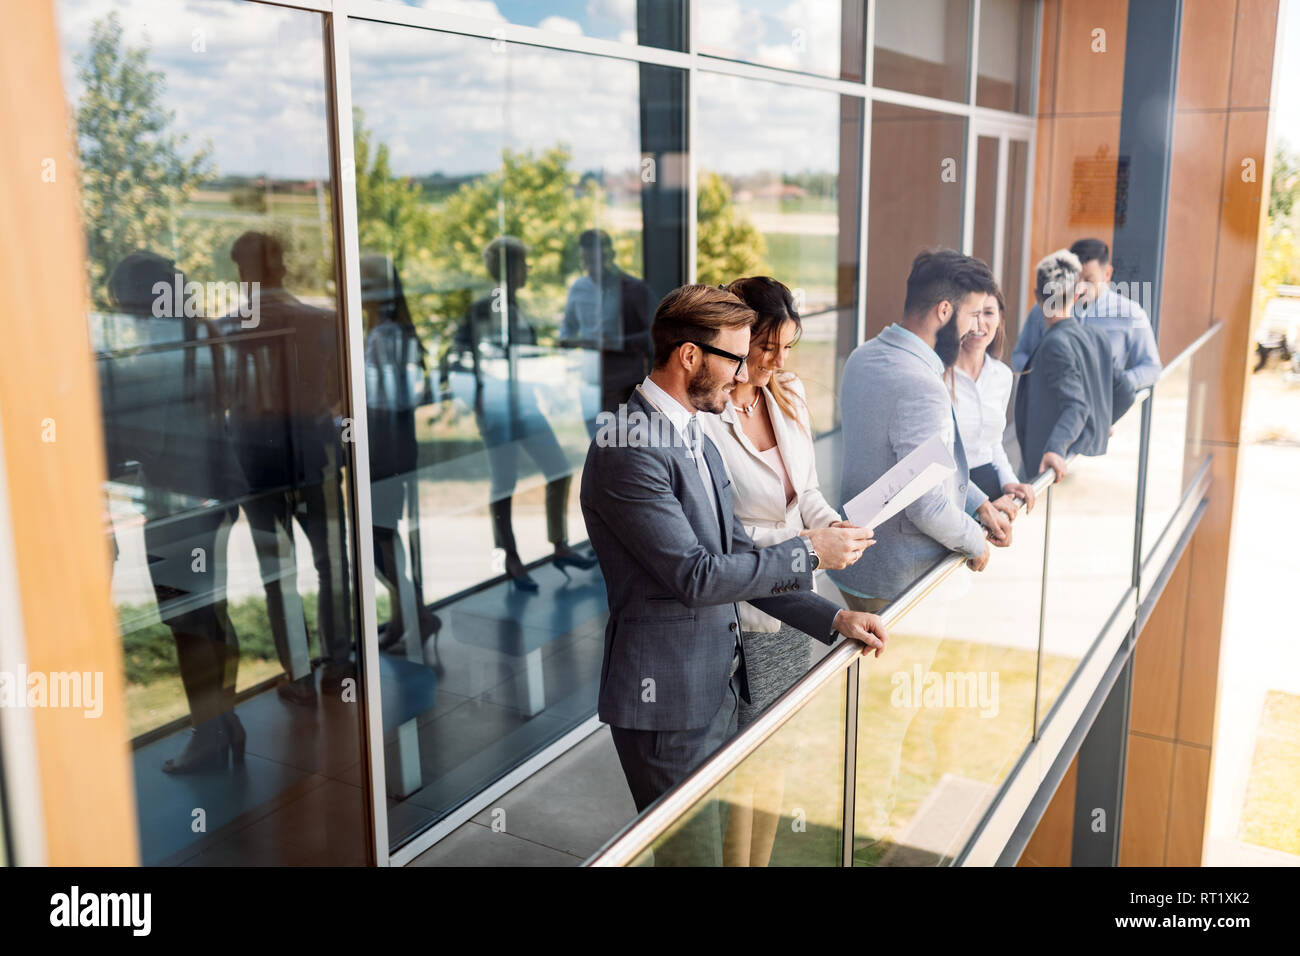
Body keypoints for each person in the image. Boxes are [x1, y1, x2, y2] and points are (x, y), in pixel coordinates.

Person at [580, 284, 887, 865]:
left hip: (718, 691)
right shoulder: (629, 446)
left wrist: (837, 617)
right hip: (665, 710)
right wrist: (811, 552)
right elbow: (696, 576)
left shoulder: (696, 432)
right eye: (736, 358)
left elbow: (739, 556)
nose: (747, 371)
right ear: (689, 356)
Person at [697, 276, 872, 867]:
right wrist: (810, 543)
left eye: (785, 347)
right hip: (748, 614)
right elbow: (722, 538)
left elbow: (808, 492)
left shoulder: (786, 394)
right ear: (739, 338)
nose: (773, 361)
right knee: (745, 765)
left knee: (779, 756)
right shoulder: (705, 418)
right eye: (764, 346)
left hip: (800, 600)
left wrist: (837, 530)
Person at [103, 251, 247, 773]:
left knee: (184, 620)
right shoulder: (204, 337)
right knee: (211, 611)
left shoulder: (155, 356)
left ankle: (209, 733)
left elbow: (151, 440)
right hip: (217, 489)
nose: (118, 315)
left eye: (120, 305)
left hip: (178, 500)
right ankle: (223, 720)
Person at [829, 250, 1013, 614]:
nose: (975, 330)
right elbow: (926, 506)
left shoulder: (862, 356)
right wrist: (976, 540)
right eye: (971, 315)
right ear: (944, 311)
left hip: (859, 570)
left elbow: (912, 468)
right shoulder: (921, 384)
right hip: (902, 582)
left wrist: (978, 503)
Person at [222, 231, 354, 704]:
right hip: (314, 454)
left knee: (279, 574)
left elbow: (220, 398)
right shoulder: (322, 321)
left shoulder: (227, 328)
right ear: (281, 267)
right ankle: (338, 663)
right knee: (331, 564)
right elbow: (342, 391)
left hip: (256, 465)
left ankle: (298, 673)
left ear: (243, 272)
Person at [451, 236, 596, 591]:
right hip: (499, 409)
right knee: (504, 483)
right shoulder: (485, 308)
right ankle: (511, 558)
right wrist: (480, 400)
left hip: (524, 404)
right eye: (523, 263)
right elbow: (461, 354)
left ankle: (559, 545)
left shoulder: (512, 305)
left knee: (558, 470)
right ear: (508, 267)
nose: (528, 269)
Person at [359, 254, 443, 654]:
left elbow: (388, 397)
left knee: (379, 536)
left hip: (383, 444)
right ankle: (405, 615)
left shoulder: (384, 336)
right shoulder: (392, 332)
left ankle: (415, 613)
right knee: (386, 534)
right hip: (396, 444)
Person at [1014, 249, 1138, 483]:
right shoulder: (1096, 337)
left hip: (1051, 466)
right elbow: (1126, 392)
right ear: (1077, 294)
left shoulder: (1054, 344)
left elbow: (1076, 406)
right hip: (1077, 455)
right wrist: (1101, 423)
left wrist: (1056, 447)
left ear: (1037, 296)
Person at [1010, 237, 1161, 391]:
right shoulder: (1045, 308)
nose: (1080, 287)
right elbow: (1020, 355)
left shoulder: (1131, 314)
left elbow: (1152, 368)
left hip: (1107, 409)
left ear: (1107, 274)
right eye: (1076, 279)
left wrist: (1114, 384)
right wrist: (1041, 374)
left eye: (1089, 279)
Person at [946, 287, 1037, 520]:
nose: (979, 325)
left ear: (999, 319)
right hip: (948, 491)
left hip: (990, 485)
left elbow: (994, 442)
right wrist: (980, 503)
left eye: (988, 313)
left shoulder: (1002, 375)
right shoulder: (940, 375)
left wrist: (1009, 481)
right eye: (973, 314)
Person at [560, 229, 654, 427]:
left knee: (621, 443)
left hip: (625, 384)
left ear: (611, 254)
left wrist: (616, 344)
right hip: (590, 380)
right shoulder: (578, 288)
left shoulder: (635, 289)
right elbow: (567, 327)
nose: (591, 267)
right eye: (586, 261)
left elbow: (655, 334)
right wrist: (567, 341)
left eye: (596, 260)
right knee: (595, 440)